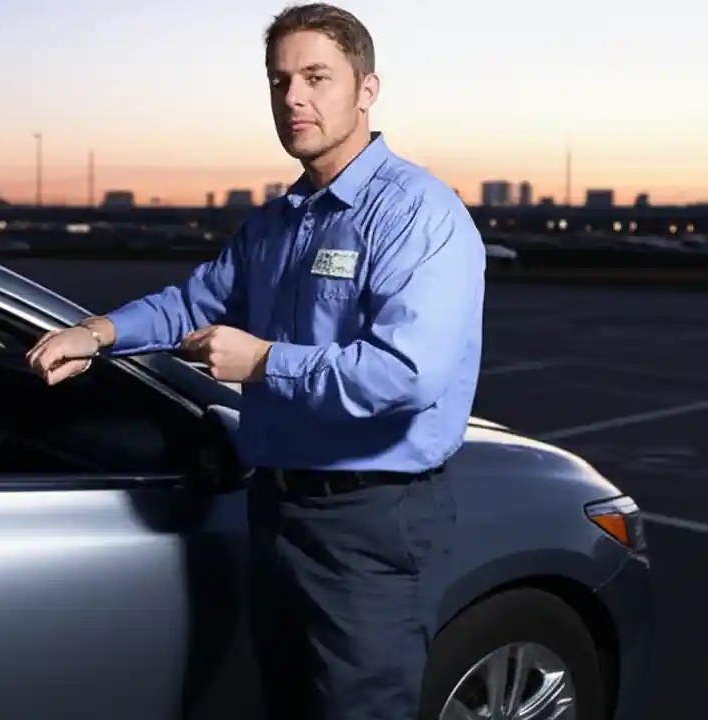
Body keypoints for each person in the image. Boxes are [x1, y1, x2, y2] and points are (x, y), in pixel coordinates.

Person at [26, 3, 485, 717]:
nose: (293, 97)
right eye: (279, 81)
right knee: (287, 701)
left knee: (357, 708)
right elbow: (194, 303)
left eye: (316, 77)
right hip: (278, 507)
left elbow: (405, 374)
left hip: (372, 517)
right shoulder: (276, 223)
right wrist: (98, 333)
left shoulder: (417, 213)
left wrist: (266, 361)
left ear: (366, 90)